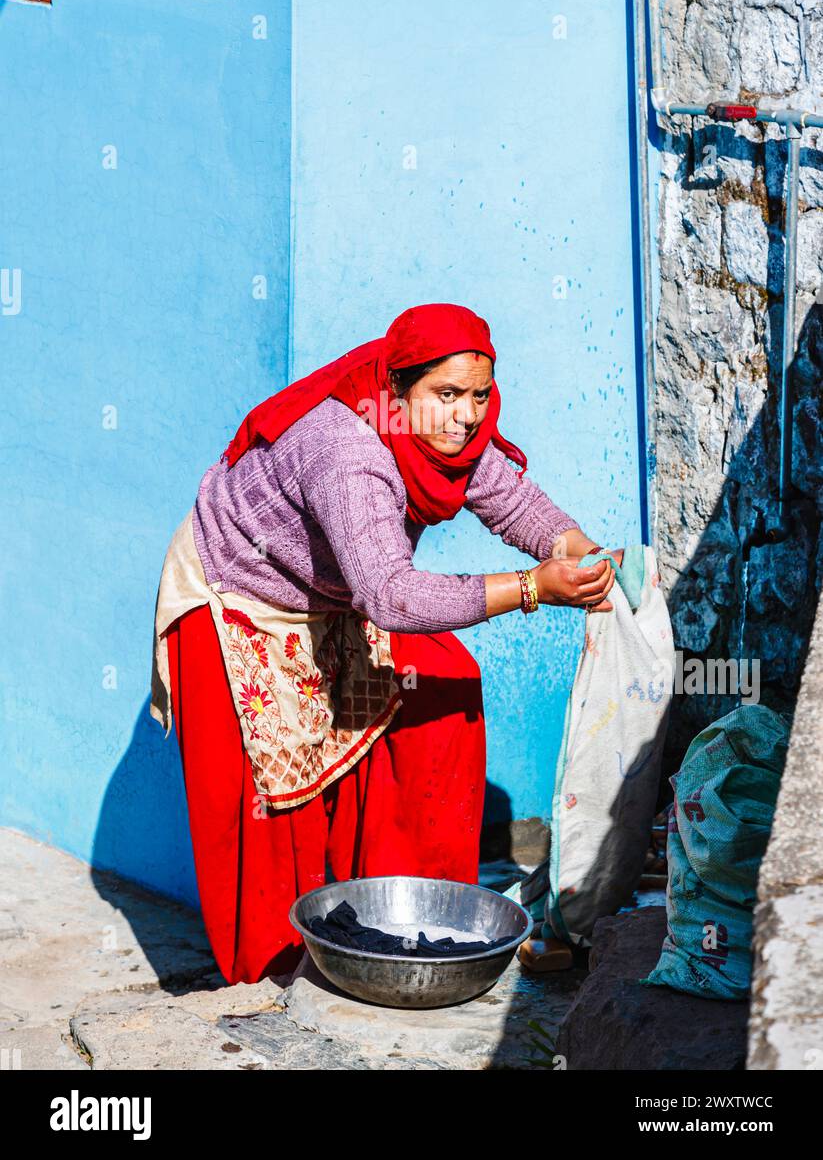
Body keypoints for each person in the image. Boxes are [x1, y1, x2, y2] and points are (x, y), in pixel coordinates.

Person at [151, 302, 624, 985]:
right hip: (239, 600)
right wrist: (529, 589)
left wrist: (576, 548)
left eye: (479, 395)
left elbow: (511, 502)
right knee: (267, 809)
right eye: (447, 395)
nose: (465, 415)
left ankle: (407, 921)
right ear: (397, 392)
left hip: (338, 593)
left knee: (441, 693)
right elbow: (393, 598)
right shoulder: (349, 451)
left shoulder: (449, 436)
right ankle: (273, 977)